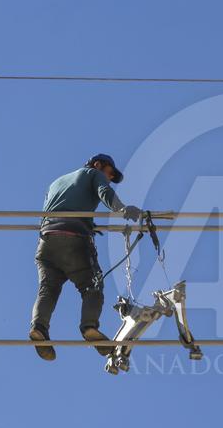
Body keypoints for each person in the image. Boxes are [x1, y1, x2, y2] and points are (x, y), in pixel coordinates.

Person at [29, 154, 141, 361]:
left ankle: (39, 327)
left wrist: (89, 224)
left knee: (48, 289)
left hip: (46, 242)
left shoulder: (56, 182)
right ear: (97, 165)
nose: (108, 179)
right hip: (73, 237)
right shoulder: (92, 173)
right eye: (108, 174)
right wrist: (123, 210)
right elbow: (104, 192)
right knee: (92, 286)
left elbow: (58, 208)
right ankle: (89, 327)